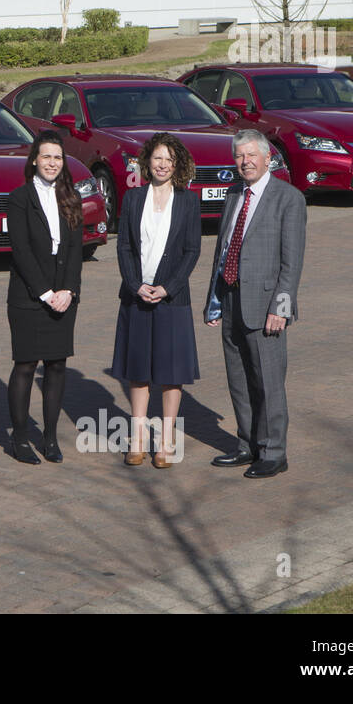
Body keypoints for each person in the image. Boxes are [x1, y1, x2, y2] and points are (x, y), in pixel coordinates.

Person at [203, 128, 306, 478]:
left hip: (265, 307)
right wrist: (213, 300)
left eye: (251, 155)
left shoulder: (287, 199)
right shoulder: (234, 193)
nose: (245, 162)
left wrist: (281, 307)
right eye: (239, 156)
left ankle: (274, 452)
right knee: (239, 380)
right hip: (231, 299)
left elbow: (292, 263)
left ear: (267, 158)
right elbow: (223, 250)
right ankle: (247, 444)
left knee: (269, 383)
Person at [110, 133, 202, 468]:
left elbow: (192, 250)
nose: (162, 164)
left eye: (169, 159)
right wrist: (136, 284)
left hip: (172, 299)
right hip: (136, 297)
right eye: (157, 158)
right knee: (138, 371)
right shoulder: (133, 198)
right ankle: (136, 439)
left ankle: (165, 442)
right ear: (147, 161)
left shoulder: (188, 201)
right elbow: (123, 247)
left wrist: (168, 287)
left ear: (177, 165)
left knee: (170, 373)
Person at [5, 129, 83, 464]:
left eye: (57, 157)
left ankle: (50, 438)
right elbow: (20, 251)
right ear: (35, 159)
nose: (52, 162)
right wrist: (46, 293)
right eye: (46, 156)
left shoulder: (71, 197)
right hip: (28, 293)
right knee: (25, 365)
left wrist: (68, 289)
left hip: (63, 292)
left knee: (56, 365)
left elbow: (77, 249)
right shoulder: (20, 197)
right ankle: (20, 438)